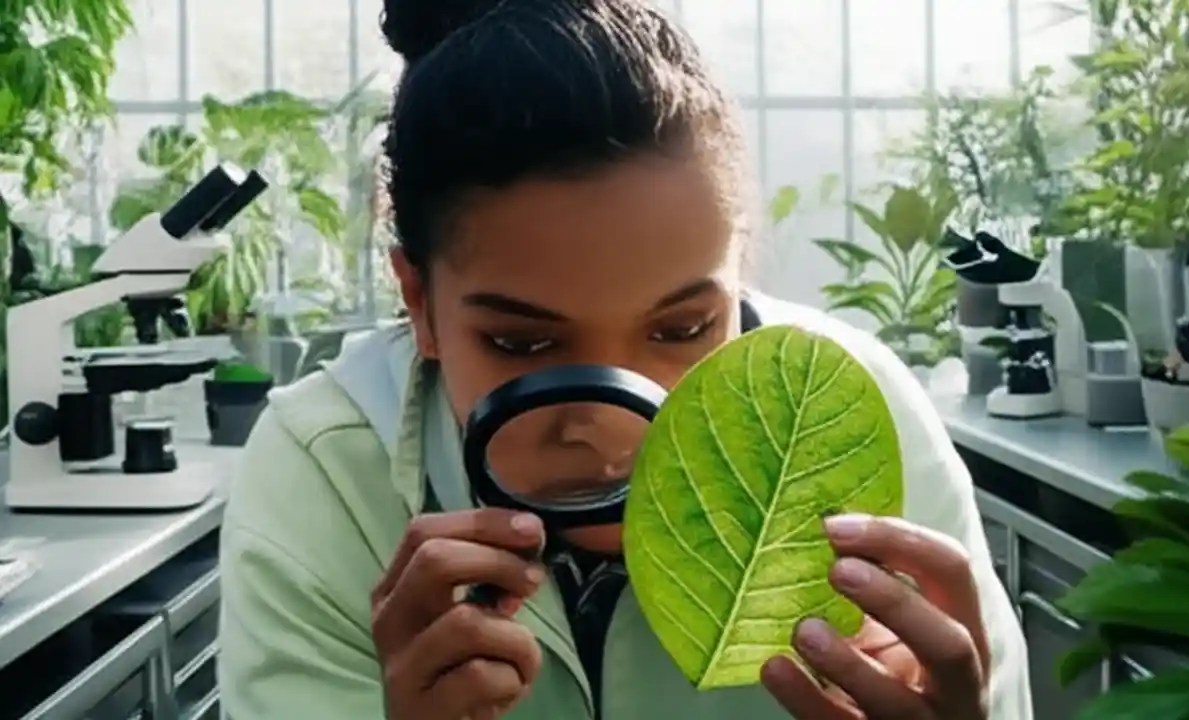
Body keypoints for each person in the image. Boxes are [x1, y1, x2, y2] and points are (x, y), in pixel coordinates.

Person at [215, 0, 1033, 718]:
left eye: (684, 329)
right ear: (419, 303)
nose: (613, 436)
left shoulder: (853, 411)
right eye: (524, 344)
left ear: (736, 270)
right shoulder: (325, 472)